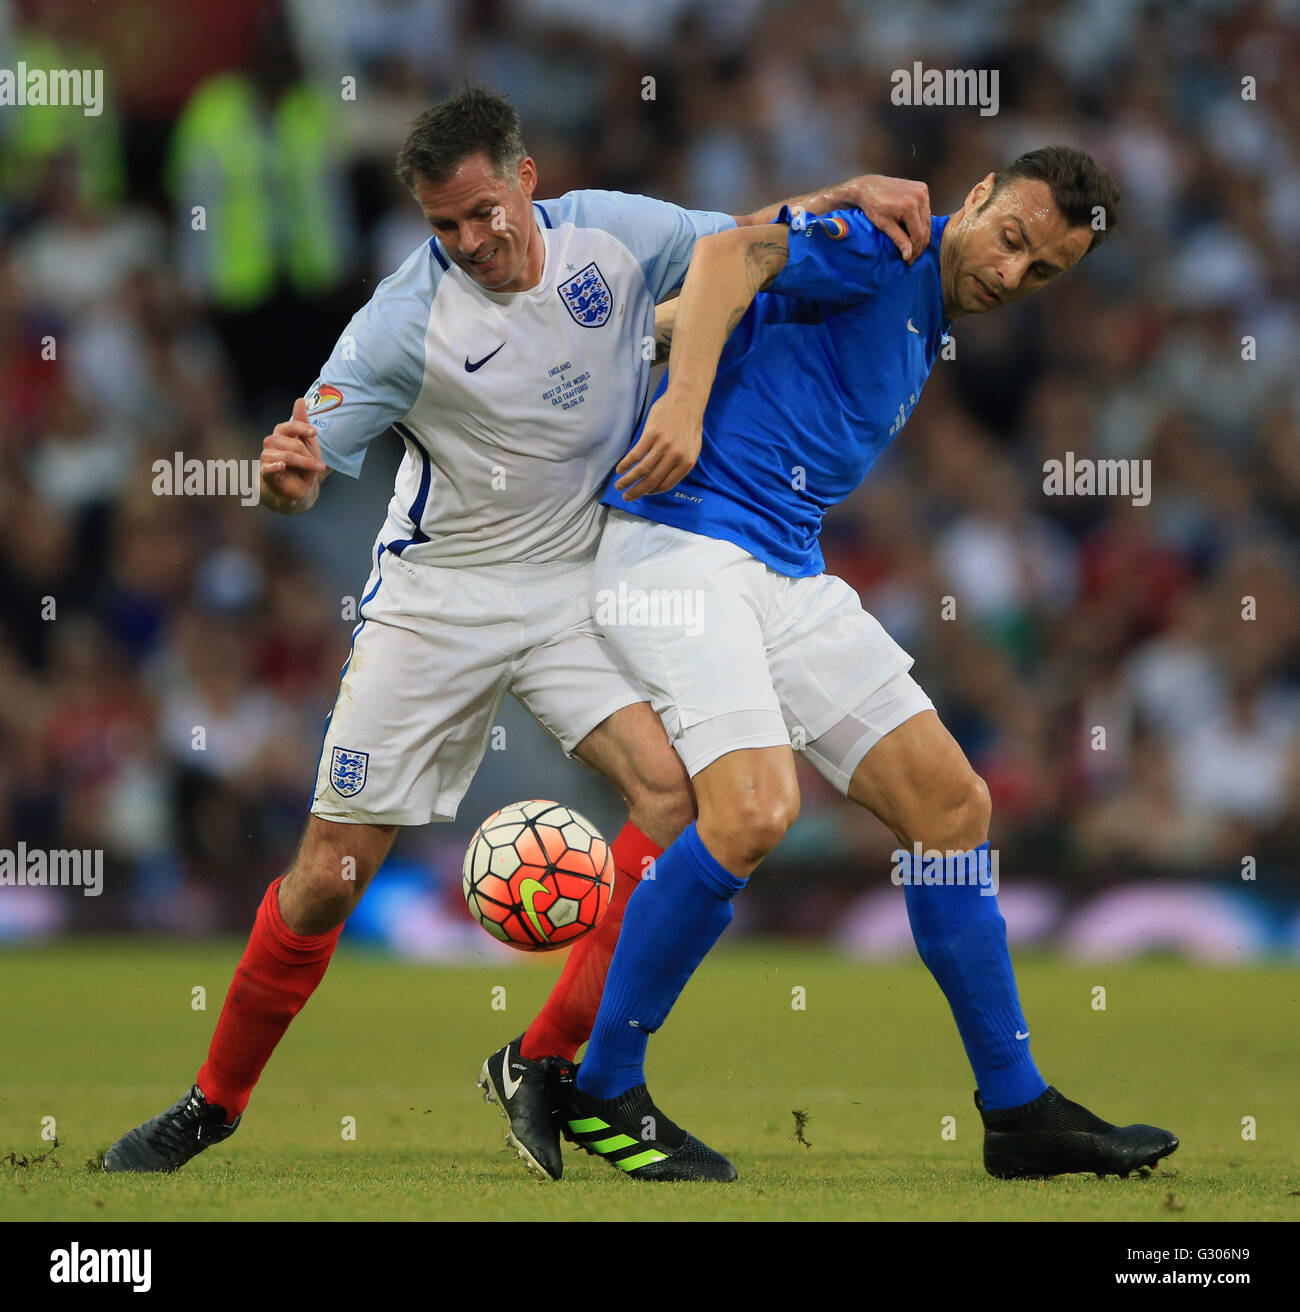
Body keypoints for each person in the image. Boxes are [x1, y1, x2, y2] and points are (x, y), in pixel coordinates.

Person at [102, 86, 933, 1182]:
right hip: (438, 602)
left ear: (527, 178)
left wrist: (843, 191)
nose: (472, 241)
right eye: (445, 226)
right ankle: (212, 1102)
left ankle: (544, 1064)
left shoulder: (612, 234)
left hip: (574, 589)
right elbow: (301, 469)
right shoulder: (403, 321)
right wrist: (287, 483)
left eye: (486, 211)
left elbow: (742, 240)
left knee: (678, 800)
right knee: (330, 874)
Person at [559, 146, 1179, 1183]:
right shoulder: (880, 249)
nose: (1011, 272)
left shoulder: (928, 306)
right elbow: (723, 255)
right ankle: (602, 1084)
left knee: (951, 807)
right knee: (753, 811)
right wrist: (680, 401)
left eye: (1042, 272)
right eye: (1012, 237)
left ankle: (1017, 1111)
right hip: (679, 548)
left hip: (783, 566)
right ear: (975, 195)